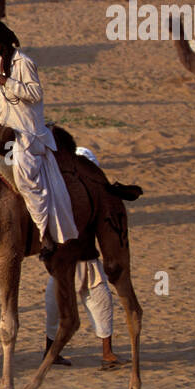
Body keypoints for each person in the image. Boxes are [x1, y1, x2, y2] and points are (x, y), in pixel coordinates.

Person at [0, 20, 76, 259]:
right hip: (6, 131)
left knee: (25, 177)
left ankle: (45, 235)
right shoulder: (0, 63)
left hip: (28, 134)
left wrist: (7, 82)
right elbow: (6, 101)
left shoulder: (25, 63)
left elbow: (35, 94)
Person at [43, 147, 118, 368]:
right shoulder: (58, 196)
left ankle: (107, 353)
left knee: (103, 304)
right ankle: (50, 353)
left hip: (88, 261)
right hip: (63, 263)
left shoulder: (97, 198)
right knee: (53, 308)